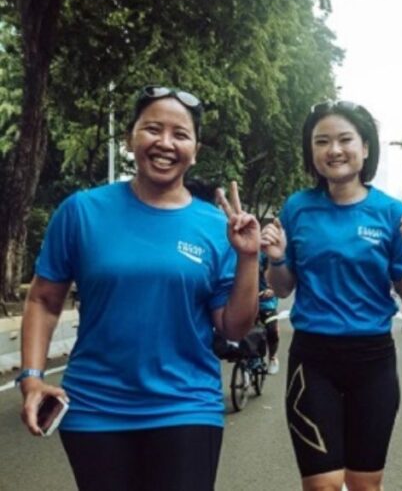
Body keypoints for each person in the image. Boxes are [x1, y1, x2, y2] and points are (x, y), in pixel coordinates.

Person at [17, 86, 260, 491]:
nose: (165, 143)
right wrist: (31, 378)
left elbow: (233, 328)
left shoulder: (216, 228)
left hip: (186, 405)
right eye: (152, 129)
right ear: (131, 138)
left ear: (195, 149)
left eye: (180, 134)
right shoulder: (81, 211)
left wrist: (248, 258)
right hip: (95, 408)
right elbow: (43, 299)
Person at [262, 100, 402, 491]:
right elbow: (283, 287)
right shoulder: (298, 208)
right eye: (322, 142)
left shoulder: (391, 212)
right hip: (312, 360)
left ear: (365, 148)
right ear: (312, 152)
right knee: (323, 486)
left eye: (344, 139)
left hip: (372, 362)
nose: (334, 150)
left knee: (364, 484)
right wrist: (277, 257)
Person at [259, 251, 282, 373]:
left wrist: (271, 290)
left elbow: (277, 275)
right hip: (246, 300)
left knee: (272, 329)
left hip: (265, 301)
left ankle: (272, 357)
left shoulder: (265, 254)